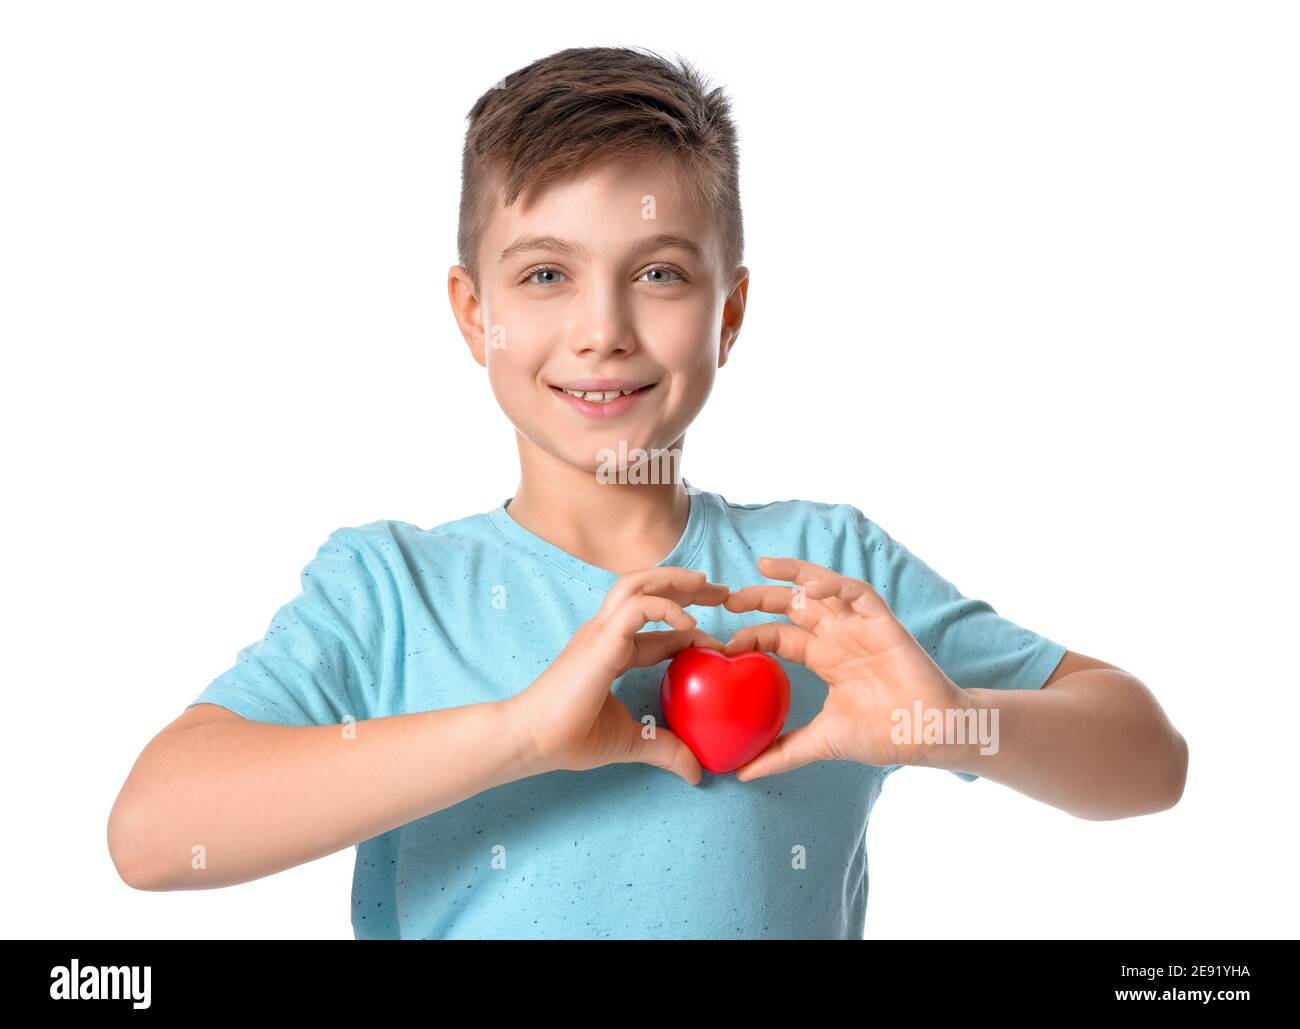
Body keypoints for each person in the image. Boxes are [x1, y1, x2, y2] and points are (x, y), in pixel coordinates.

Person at [107, 45, 1188, 939]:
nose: (603, 329)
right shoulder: (391, 589)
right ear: (473, 313)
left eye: (660, 273)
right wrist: (524, 732)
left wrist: (954, 728)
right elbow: (153, 836)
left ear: (728, 313)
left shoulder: (825, 575)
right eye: (544, 275)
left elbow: (1147, 761)